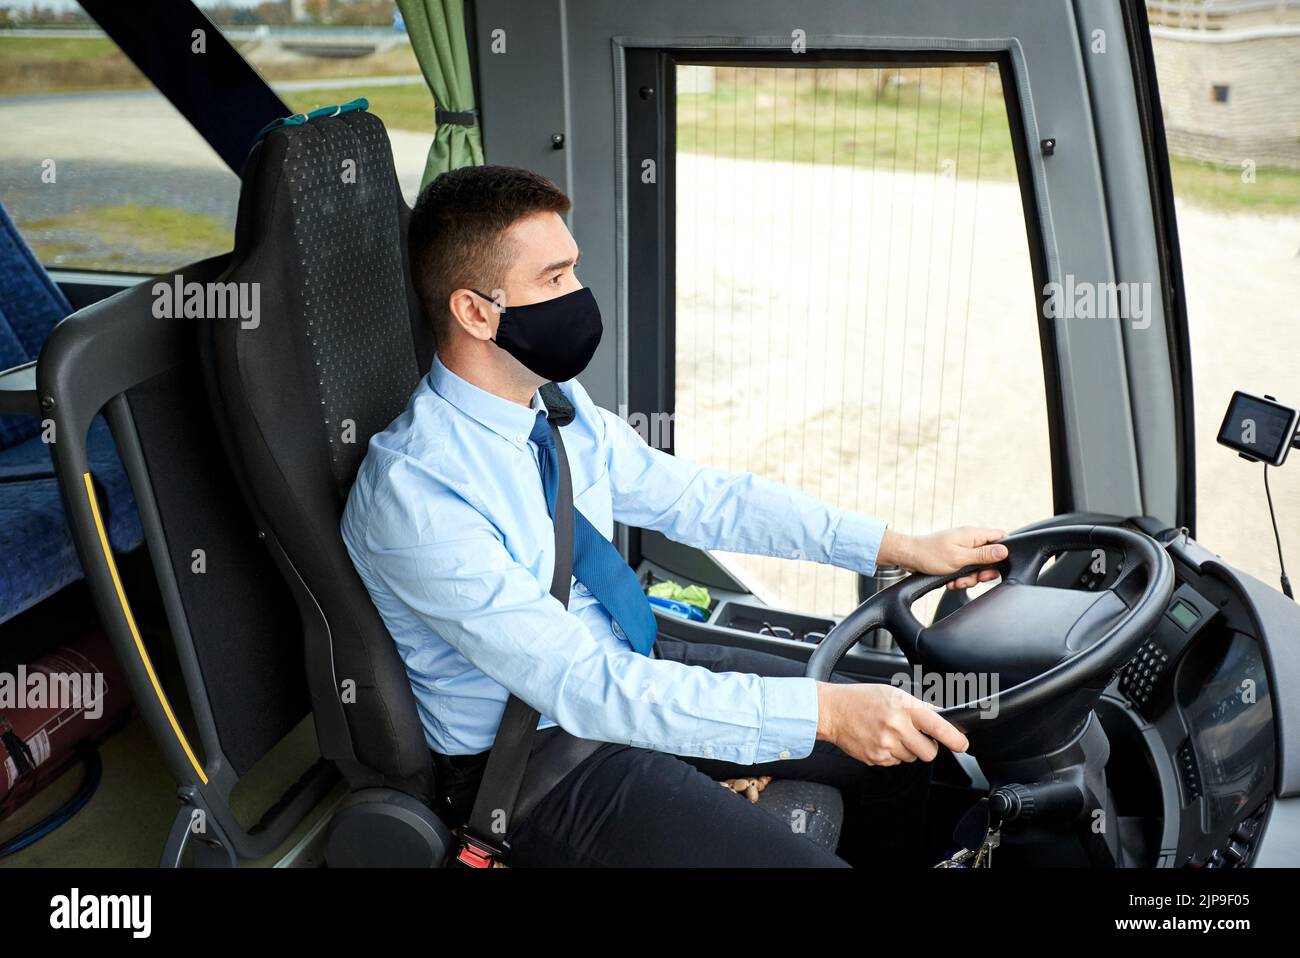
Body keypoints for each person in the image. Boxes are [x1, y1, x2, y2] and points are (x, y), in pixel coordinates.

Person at [340, 165, 1007, 867]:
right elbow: (582, 687)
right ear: (477, 312)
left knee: (906, 752)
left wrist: (896, 545)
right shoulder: (416, 494)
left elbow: (697, 497)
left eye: (574, 271)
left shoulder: (555, 402)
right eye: (555, 278)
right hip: (537, 758)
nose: (579, 296)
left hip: (633, 658)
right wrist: (827, 716)